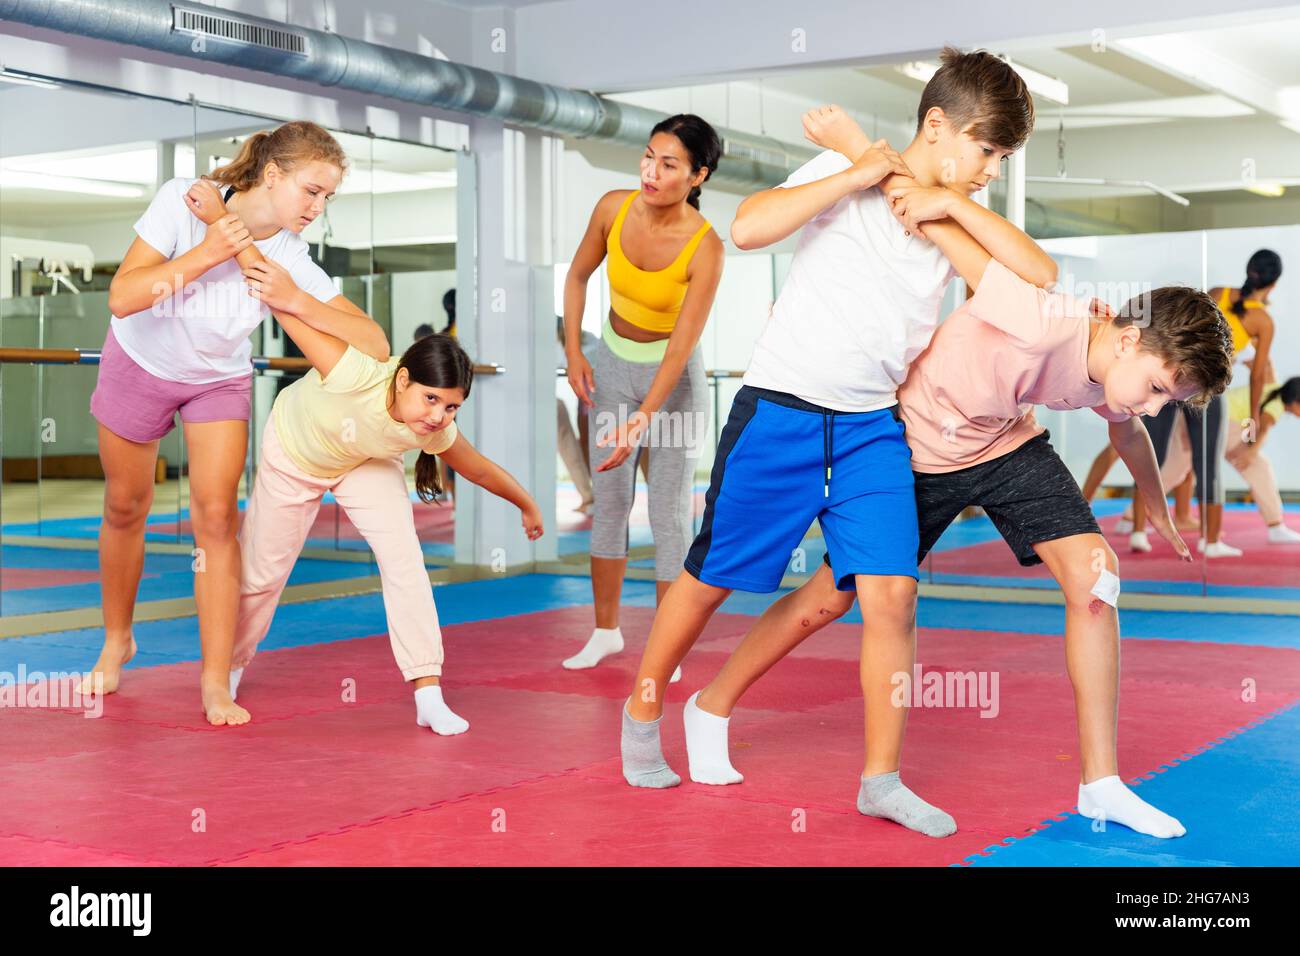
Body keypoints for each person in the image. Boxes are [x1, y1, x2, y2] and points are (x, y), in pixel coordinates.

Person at [621, 48, 1053, 841]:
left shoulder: (948, 212)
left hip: (870, 432)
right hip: (781, 412)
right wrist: (858, 169)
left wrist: (936, 200)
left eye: (1003, 157)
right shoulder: (840, 170)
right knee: (716, 575)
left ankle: (880, 781)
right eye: (987, 150)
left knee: (890, 594)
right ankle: (646, 700)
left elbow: (1034, 276)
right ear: (937, 125)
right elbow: (748, 228)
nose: (992, 169)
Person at [685, 231, 1235, 839]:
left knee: (1097, 580)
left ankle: (1100, 786)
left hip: (1005, 443)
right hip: (917, 448)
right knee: (829, 598)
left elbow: (1127, 433)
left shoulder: (1113, 368)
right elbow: (980, 265)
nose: (1155, 408)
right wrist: (939, 205)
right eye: (1158, 389)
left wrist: (1155, 503)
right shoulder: (1045, 319)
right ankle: (710, 703)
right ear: (1129, 339)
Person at [81, 121, 378, 726]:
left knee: (217, 518)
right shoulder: (184, 201)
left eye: (328, 198)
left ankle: (216, 681)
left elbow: (372, 338)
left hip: (217, 379)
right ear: (272, 175)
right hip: (139, 362)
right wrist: (213, 247)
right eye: (312, 192)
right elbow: (123, 296)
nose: (318, 209)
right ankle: (117, 639)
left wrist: (296, 299)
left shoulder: (292, 255)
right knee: (125, 505)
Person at [227, 313, 543, 730]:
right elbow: (294, 318)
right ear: (402, 379)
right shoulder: (355, 372)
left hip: (364, 460)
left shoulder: (434, 430)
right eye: (430, 398)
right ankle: (226, 669)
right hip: (296, 451)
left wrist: (527, 504)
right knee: (262, 574)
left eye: (451, 407)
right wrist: (263, 268)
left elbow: (478, 469)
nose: (438, 416)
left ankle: (428, 694)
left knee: (406, 562)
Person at [559, 114, 725, 677]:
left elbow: (680, 349)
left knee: (669, 512)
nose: (651, 172)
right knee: (609, 501)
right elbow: (578, 276)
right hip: (611, 366)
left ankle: (666, 647)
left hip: (671, 385)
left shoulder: (706, 249)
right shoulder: (612, 207)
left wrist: (643, 419)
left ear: (697, 175)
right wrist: (574, 353)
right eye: (649, 157)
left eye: (670, 164)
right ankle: (605, 632)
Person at [1131, 250, 1282, 556]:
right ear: (1273, 284)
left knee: (1150, 458)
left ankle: (1137, 532)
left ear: (1248, 270)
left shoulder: (1217, 293)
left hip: (1172, 377)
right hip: (1206, 388)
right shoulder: (1263, 321)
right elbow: (1258, 380)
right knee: (1207, 465)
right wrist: (1253, 417)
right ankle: (1210, 542)